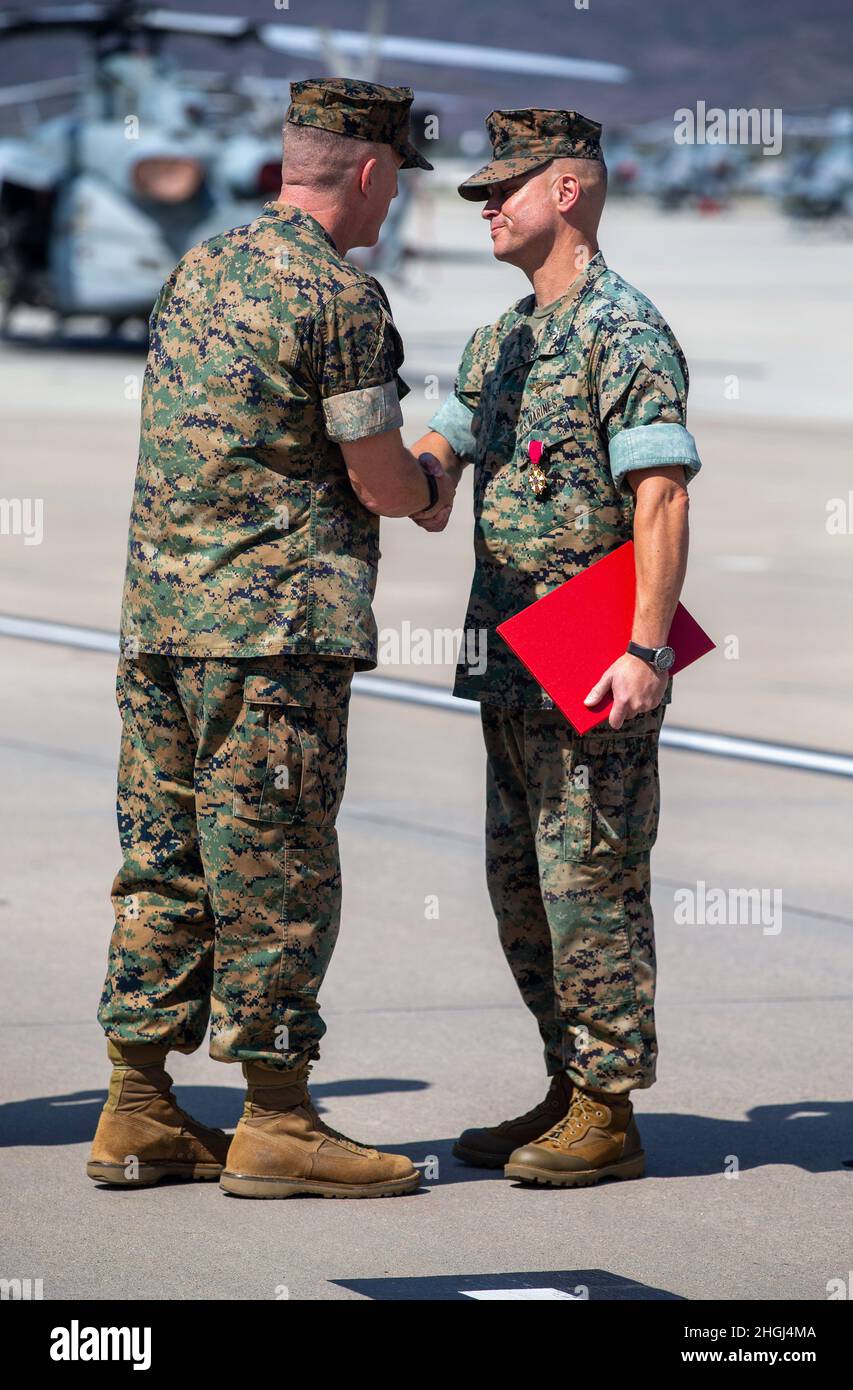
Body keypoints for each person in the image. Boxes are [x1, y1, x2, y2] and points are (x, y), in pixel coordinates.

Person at [89, 78, 451, 1200]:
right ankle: (279, 1119)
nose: (395, 209)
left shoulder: (201, 266)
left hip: (160, 627)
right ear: (374, 172)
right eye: (399, 185)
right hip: (271, 640)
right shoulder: (336, 296)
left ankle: (136, 1106)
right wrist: (435, 478)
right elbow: (379, 476)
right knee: (275, 870)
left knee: (164, 861)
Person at [413, 108, 701, 1187]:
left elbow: (660, 496)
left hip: (591, 658)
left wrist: (645, 647)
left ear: (568, 192)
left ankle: (606, 1106)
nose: (487, 205)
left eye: (506, 188)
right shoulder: (504, 335)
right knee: (520, 886)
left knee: (591, 885)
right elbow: (446, 439)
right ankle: (563, 1076)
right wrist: (413, 469)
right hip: (508, 657)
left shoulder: (622, 331)